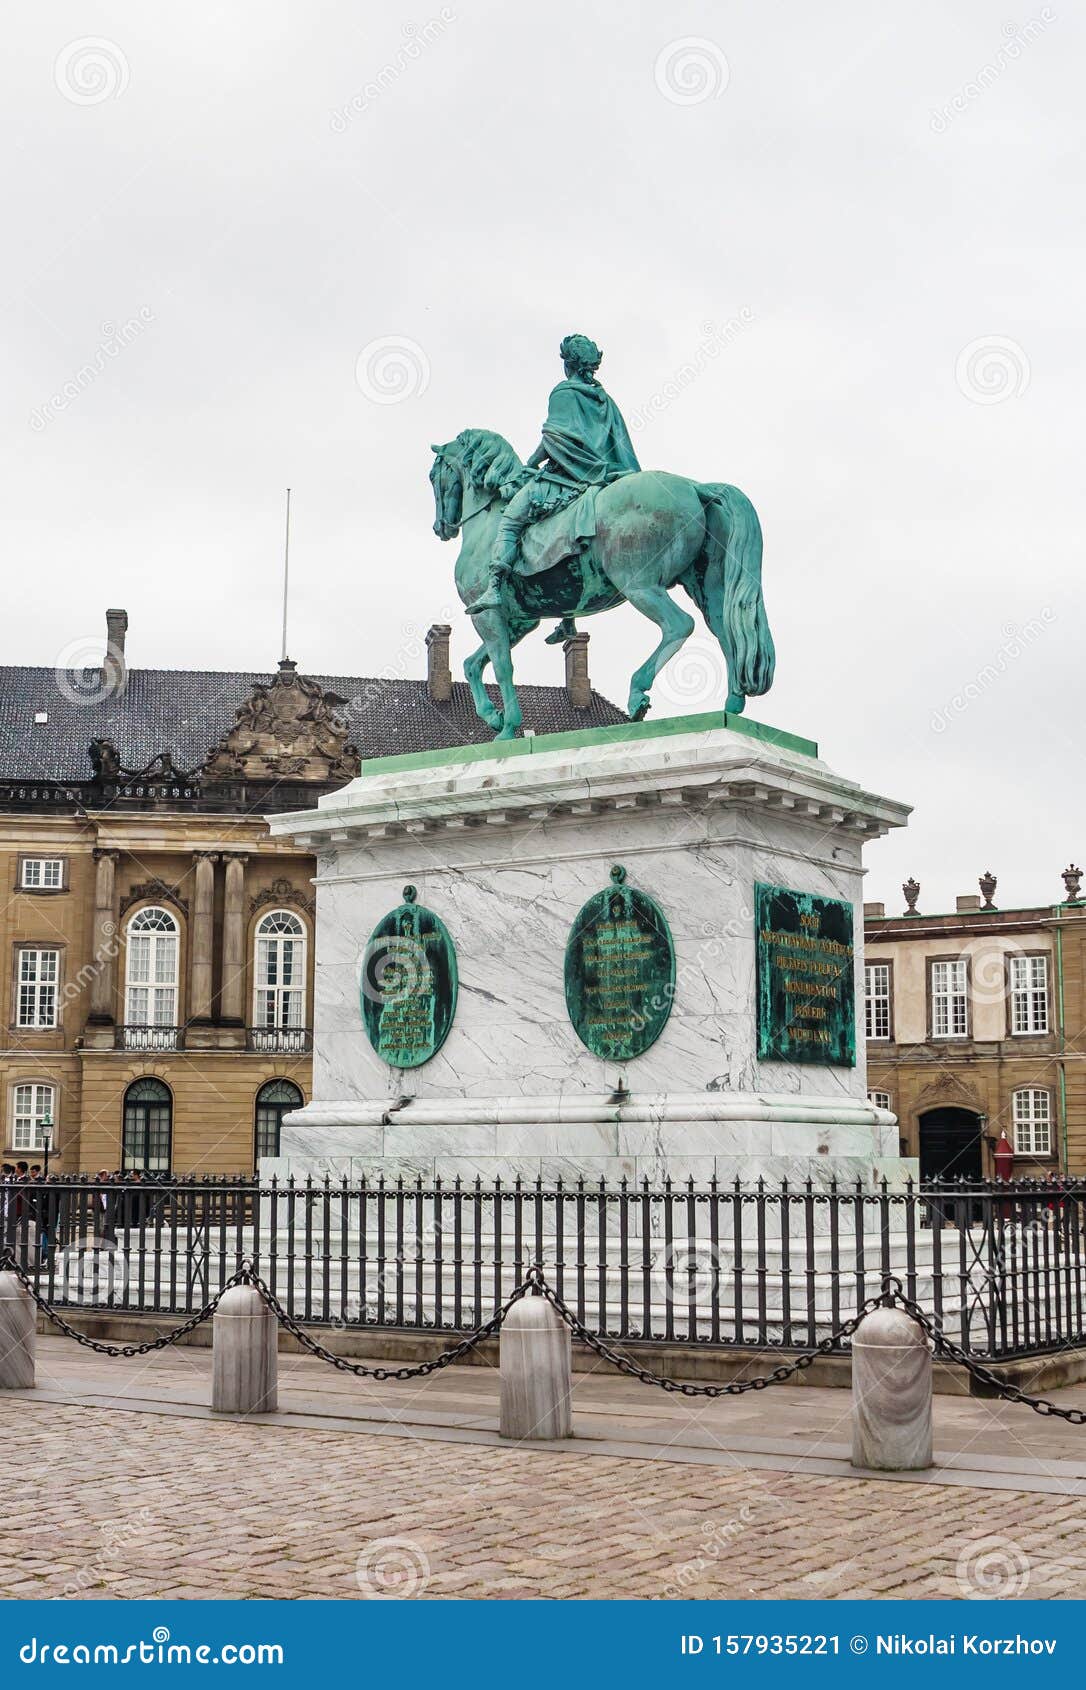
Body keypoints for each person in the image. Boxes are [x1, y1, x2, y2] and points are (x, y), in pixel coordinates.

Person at [465, 333, 640, 614]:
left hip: (566, 477)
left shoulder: (564, 392)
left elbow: (555, 439)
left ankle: (494, 587)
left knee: (510, 521)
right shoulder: (604, 399)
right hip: (607, 474)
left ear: (568, 363)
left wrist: (530, 465)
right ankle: (567, 620)